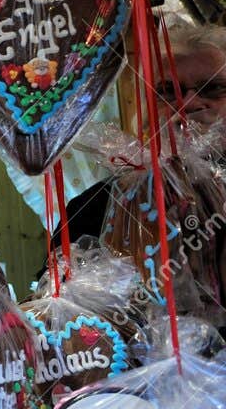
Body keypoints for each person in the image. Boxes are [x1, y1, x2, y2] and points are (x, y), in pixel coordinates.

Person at [59, 14, 226, 244]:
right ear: (145, 111)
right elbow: (57, 277)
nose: (189, 104)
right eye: (167, 91)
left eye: (214, 88)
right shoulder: (98, 206)